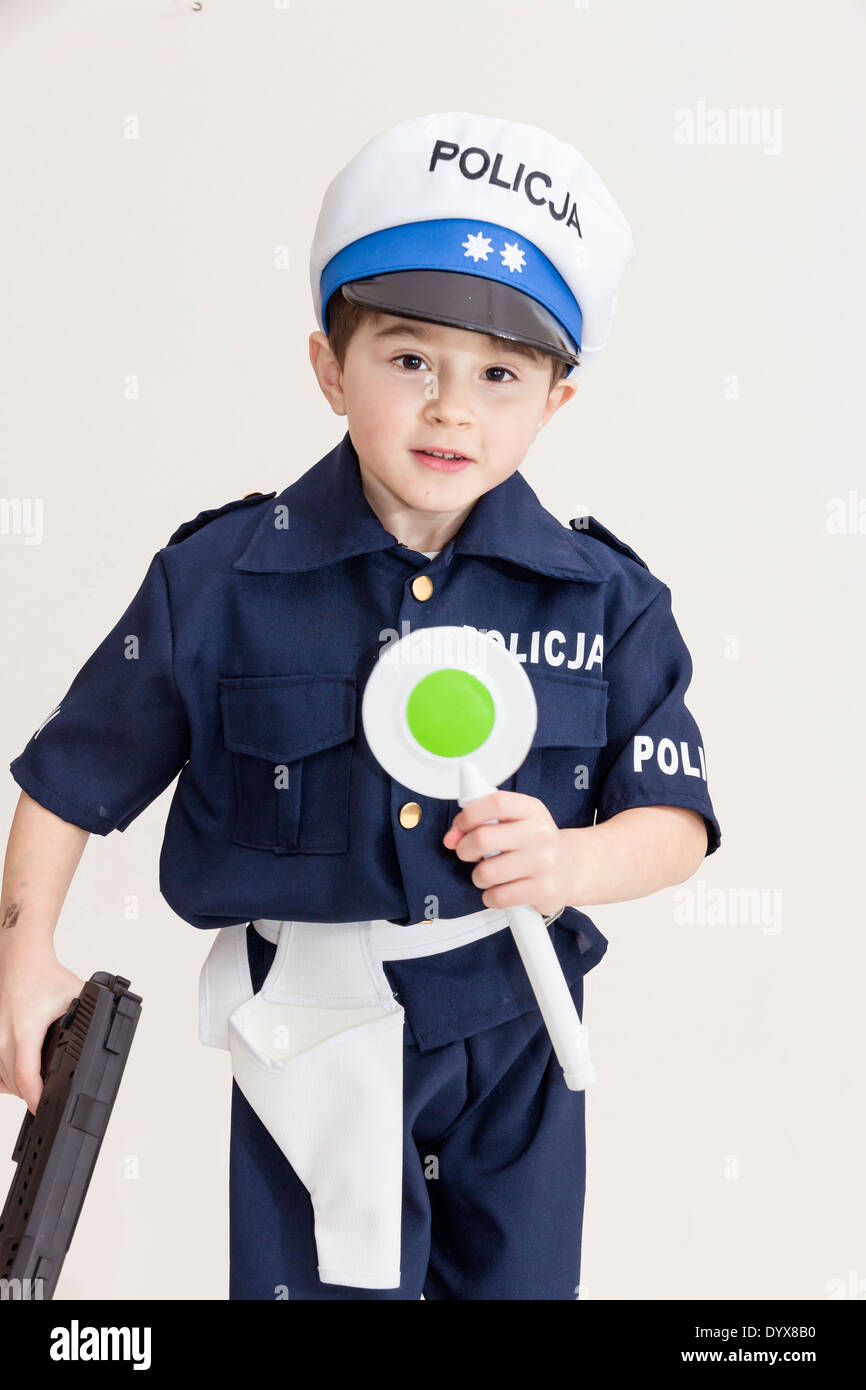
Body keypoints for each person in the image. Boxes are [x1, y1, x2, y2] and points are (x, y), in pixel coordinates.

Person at [1, 110, 721, 1300]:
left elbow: (675, 822)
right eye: (408, 359)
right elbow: (66, 777)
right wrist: (24, 963)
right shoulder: (221, 581)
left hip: (515, 1033)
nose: (450, 408)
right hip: (312, 1031)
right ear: (330, 367)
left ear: (555, 401)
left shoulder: (608, 599)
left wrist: (571, 862)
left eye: (499, 375)